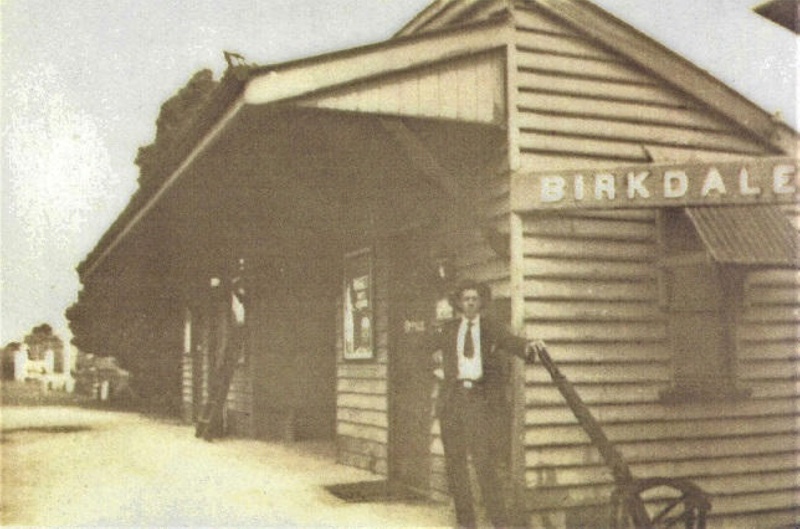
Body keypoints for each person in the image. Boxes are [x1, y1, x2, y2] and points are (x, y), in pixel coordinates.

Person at [429, 279, 545, 529]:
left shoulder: (490, 327)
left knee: (484, 462)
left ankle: (499, 523)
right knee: (455, 463)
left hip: (479, 402)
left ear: (481, 302)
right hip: (453, 401)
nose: (470, 303)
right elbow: (423, 350)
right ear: (459, 303)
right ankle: (466, 523)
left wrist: (528, 347)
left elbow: (510, 341)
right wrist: (436, 371)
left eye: (474, 298)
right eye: (466, 299)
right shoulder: (448, 329)